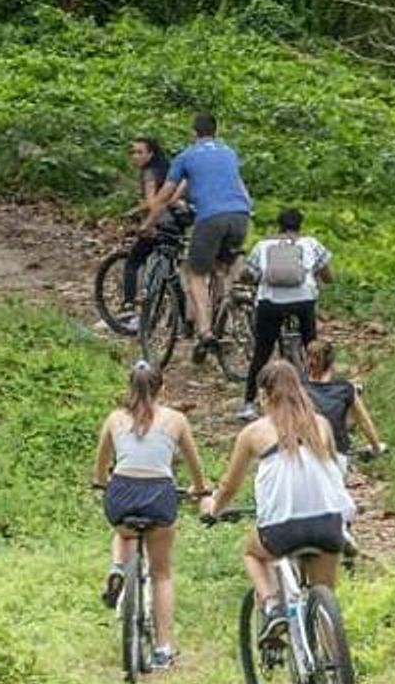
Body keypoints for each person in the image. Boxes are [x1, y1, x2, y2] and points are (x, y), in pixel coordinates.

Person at [199, 359, 355, 642]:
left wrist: (213, 506)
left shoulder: (254, 433)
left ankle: (271, 605)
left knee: (252, 553)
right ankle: (331, 662)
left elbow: (229, 487)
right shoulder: (321, 425)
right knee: (326, 604)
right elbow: (332, 473)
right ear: (300, 389)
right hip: (328, 523)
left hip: (282, 530)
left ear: (263, 395)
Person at [92, 360, 210, 672]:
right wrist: (199, 490)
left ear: (130, 386)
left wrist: (103, 484)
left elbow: (101, 468)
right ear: (162, 388)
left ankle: (118, 567)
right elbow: (195, 468)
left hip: (122, 494)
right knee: (162, 575)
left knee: (122, 530)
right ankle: (162, 649)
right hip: (159, 497)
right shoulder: (176, 420)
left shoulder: (115, 419)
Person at [149, 112, 252, 361]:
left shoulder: (186, 156)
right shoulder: (228, 153)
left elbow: (165, 195)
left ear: (193, 133)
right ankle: (225, 319)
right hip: (241, 215)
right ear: (216, 131)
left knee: (196, 274)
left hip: (211, 218)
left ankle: (205, 331)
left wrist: (147, 222)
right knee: (220, 268)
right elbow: (241, 189)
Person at [238, 208, 333, 421]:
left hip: (270, 302)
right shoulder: (311, 244)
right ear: (300, 225)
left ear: (278, 225)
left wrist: (249, 278)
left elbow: (247, 274)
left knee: (262, 352)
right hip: (303, 301)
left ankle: (248, 403)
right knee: (312, 347)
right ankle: (319, 396)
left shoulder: (263, 245)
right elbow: (328, 276)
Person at [120, 135, 187, 330]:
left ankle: (129, 309)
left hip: (159, 225)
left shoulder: (149, 173)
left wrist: (140, 217)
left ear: (151, 153)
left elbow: (153, 202)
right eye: (133, 152)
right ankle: (183, 322)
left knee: (133, 263)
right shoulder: (167, 170)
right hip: (176, 225)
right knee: (171, 274)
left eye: (140, 152)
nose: (135, 156)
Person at [304, 337, 387, 462]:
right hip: (337, 453)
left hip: (305, 452)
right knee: (351, 401)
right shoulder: (344, 388)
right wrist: (376, 448)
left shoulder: (297, 387)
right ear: (332, 363)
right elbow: (364, 422)